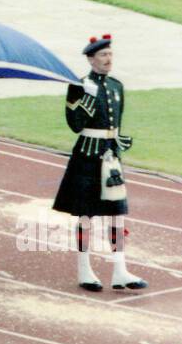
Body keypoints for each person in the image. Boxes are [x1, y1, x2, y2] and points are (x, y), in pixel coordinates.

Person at [52, 35, 145, 292]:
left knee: (117, 214)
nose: (108, 59)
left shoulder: (116, 86)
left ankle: (120, 271)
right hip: (87, 156)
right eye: (103, 55)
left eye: (110, 55)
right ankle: (84, 269)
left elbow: (116, 124)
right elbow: (75, 125)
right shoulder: (78, 85)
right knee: (85, 215)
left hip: (110, 156)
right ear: (91, 59)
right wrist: (89, 98)